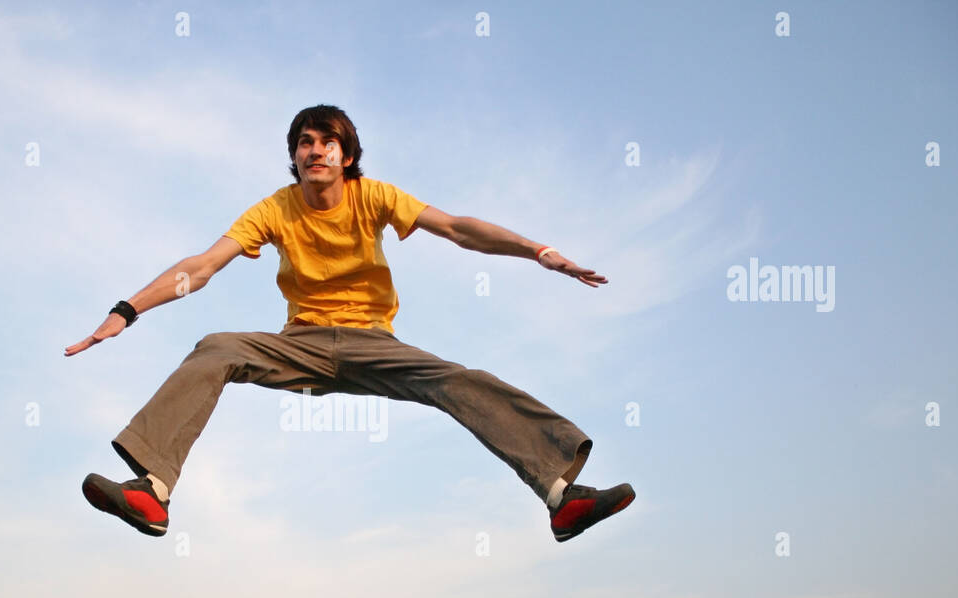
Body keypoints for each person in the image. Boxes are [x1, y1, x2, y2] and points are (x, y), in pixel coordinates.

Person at [64, 104, 634, 543]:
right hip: (301, 347)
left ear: (347, 154)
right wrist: (126, 310)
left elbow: (458, 228)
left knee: (457, 378)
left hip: (372, 344)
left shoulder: (374, 196)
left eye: (327, 142)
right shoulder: (275, 208)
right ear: (295, 157)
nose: (315, 151)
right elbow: (203, 266)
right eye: (304, 144)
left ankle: (562, 498)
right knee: (216, 346)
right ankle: (154, 492)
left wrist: (538, 251)